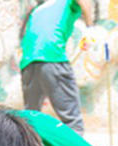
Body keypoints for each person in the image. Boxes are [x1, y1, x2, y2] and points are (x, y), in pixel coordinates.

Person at [19, 0, 95, 134]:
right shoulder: (64, 2)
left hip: (28, 62)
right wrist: (90, 28)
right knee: (72, 122)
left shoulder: (37, 10)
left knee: (29, 121)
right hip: (52, 57)